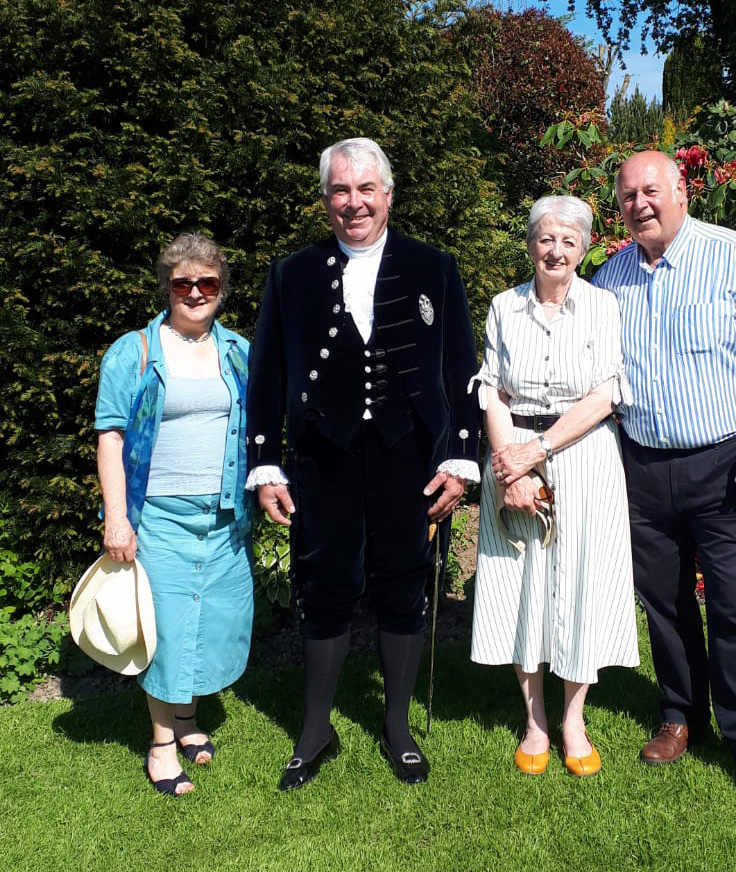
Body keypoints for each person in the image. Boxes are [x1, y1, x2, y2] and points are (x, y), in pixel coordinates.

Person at [246, 137, 480, 789]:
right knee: (322, 586)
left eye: (366, 189)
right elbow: (265, 375)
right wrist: (265, 464)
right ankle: (315, 730)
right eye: (340, 190)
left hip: (411, 454)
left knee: (403, 582)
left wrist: (461, 456)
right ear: (326, 198)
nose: (354, 202)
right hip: (323, 454)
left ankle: (397, 728)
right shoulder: (291, 273)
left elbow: (461, 365)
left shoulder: (433, 266)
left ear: (388, 194)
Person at [591, 151, 736, 809]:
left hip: (725, 466)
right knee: (663, 602)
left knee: (735, 605)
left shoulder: (734, 258)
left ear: (681, 191)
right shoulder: (611, 277)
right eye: (627, 195)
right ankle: (680, 715)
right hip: (643, 466)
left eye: (650, 190)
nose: (639, 204)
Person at [471, 195, 639, 777]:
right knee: (524, 588)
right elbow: (491, 388)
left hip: (581, 456)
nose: (556, 250)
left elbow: (605, 393)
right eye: (546, 238)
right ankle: (534, 719)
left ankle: (574, 719)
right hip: (513, 454)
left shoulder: (602, 306)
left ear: (585, 248)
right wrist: (507, 464)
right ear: (529, 244)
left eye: (569, 240)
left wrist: (536, 452)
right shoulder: (503, 306)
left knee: (579, 585)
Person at [95, 233, 254, 796]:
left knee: (213, 622)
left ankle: (186, 721)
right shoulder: (133, 351)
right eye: (182, 283)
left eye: (206, 283)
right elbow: (110, 436)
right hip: (157, 514)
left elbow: (255, 432)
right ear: (167, 287)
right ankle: (162, 744)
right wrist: (118, 516)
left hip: (225, 515)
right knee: (164, 630)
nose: (194, 292)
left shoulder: (237, 350)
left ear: (221, 289)